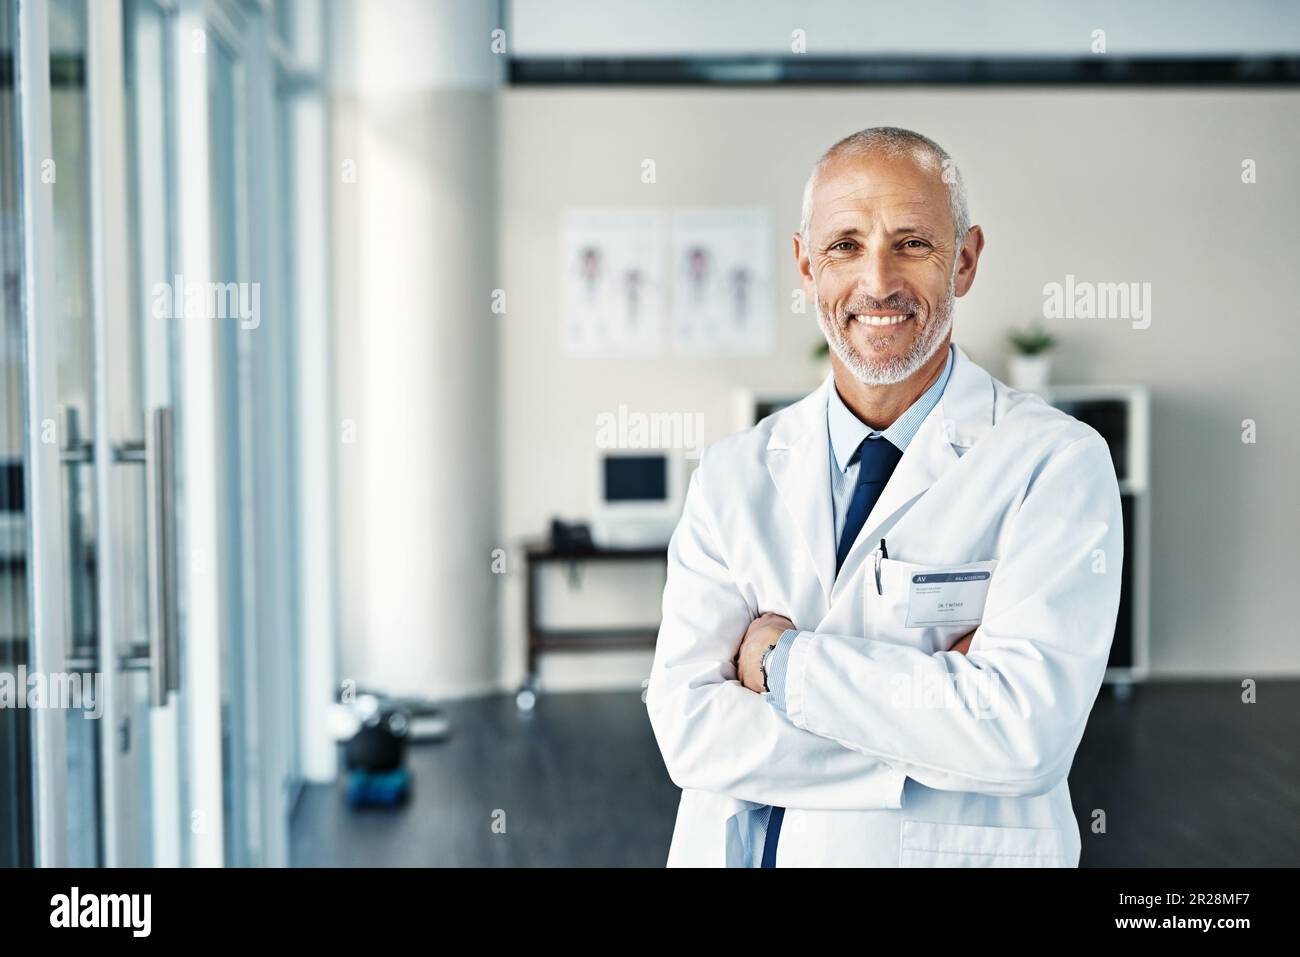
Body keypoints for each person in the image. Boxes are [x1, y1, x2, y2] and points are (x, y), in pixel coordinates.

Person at [646, 127, 1123, 867]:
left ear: (963, 261)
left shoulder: (1054, 464)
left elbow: (1025, 735)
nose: (877, 282)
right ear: (804, 265)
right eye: (844, 245)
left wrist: (781, 666)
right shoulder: (731, 475)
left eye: (911, 243)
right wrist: (942, 720)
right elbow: (687, 729)